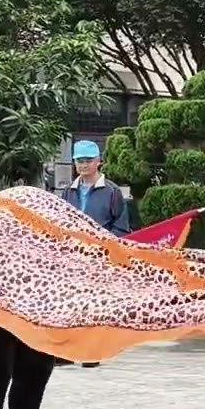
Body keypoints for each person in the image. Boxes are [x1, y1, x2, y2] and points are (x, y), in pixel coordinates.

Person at [59, 140, 130, 367]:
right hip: (72, 256)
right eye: (79, 161)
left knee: (95, 305)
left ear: (99, 162)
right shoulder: (67, 192)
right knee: (70, 303)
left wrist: (104, 245)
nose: (83, 165)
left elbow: (121, 226)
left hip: (100, 257)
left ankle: (92, 352)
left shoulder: (112, 192)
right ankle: (66, 352)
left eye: (88, 160)